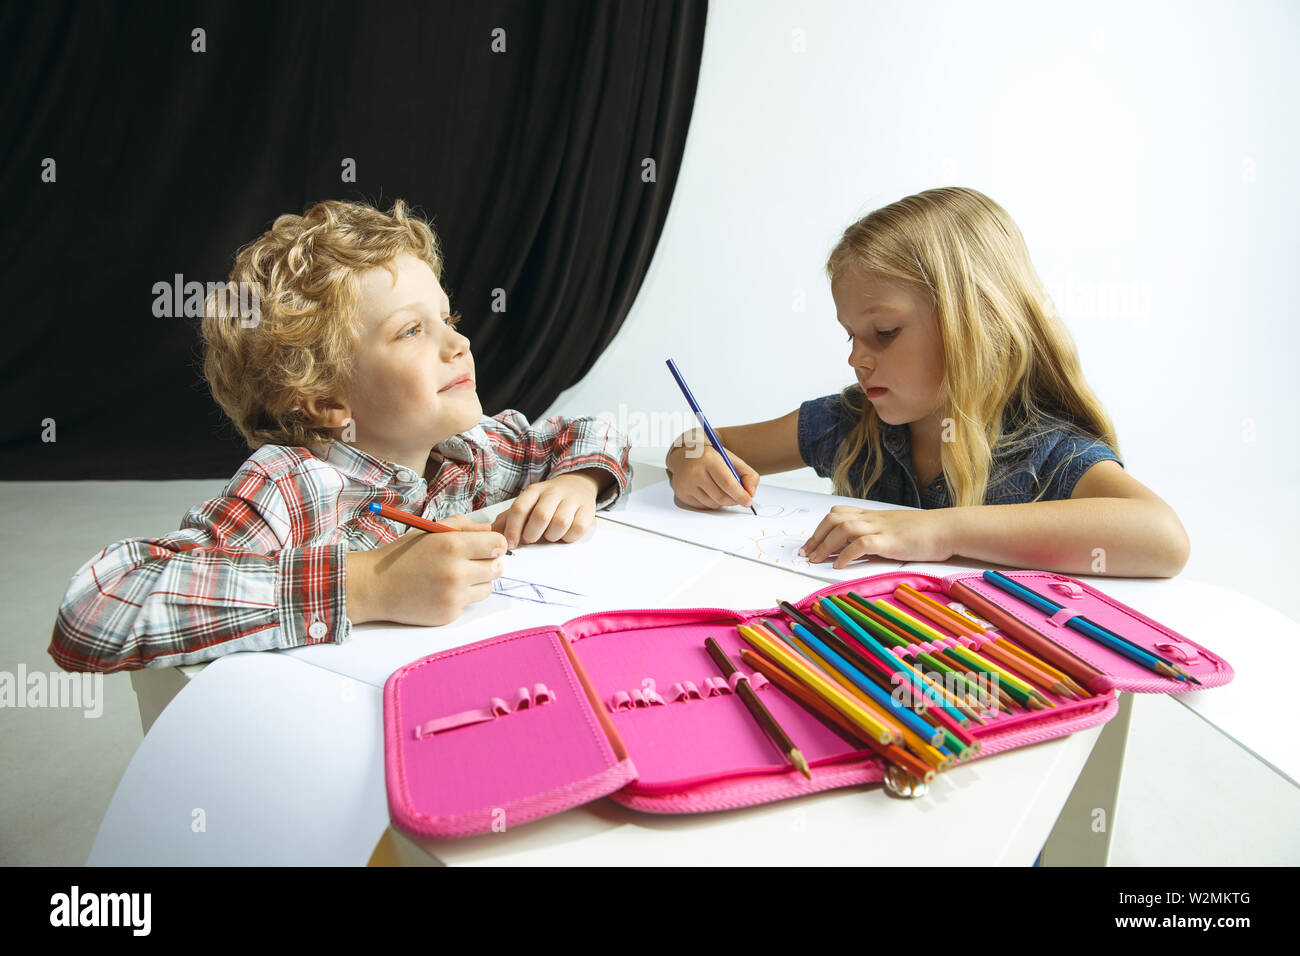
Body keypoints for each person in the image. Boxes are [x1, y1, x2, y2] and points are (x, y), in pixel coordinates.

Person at [50, 199, 631, 672]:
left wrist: (578, 481)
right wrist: (372, 584)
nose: (460, 345)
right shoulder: (295, 484)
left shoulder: (470, 452)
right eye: (410, 330)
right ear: (326, 398)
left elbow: (588, 432)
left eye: (447, 320)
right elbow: (94, 609)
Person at [665, 187, 1188, 578]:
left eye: (884, 333)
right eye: (850, 336)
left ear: (977, 321)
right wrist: (690, 462)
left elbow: (1162, 538)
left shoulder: (1043, 449)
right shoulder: (848, 423)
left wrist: (935, 533)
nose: (856, 359)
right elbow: (703, 445)